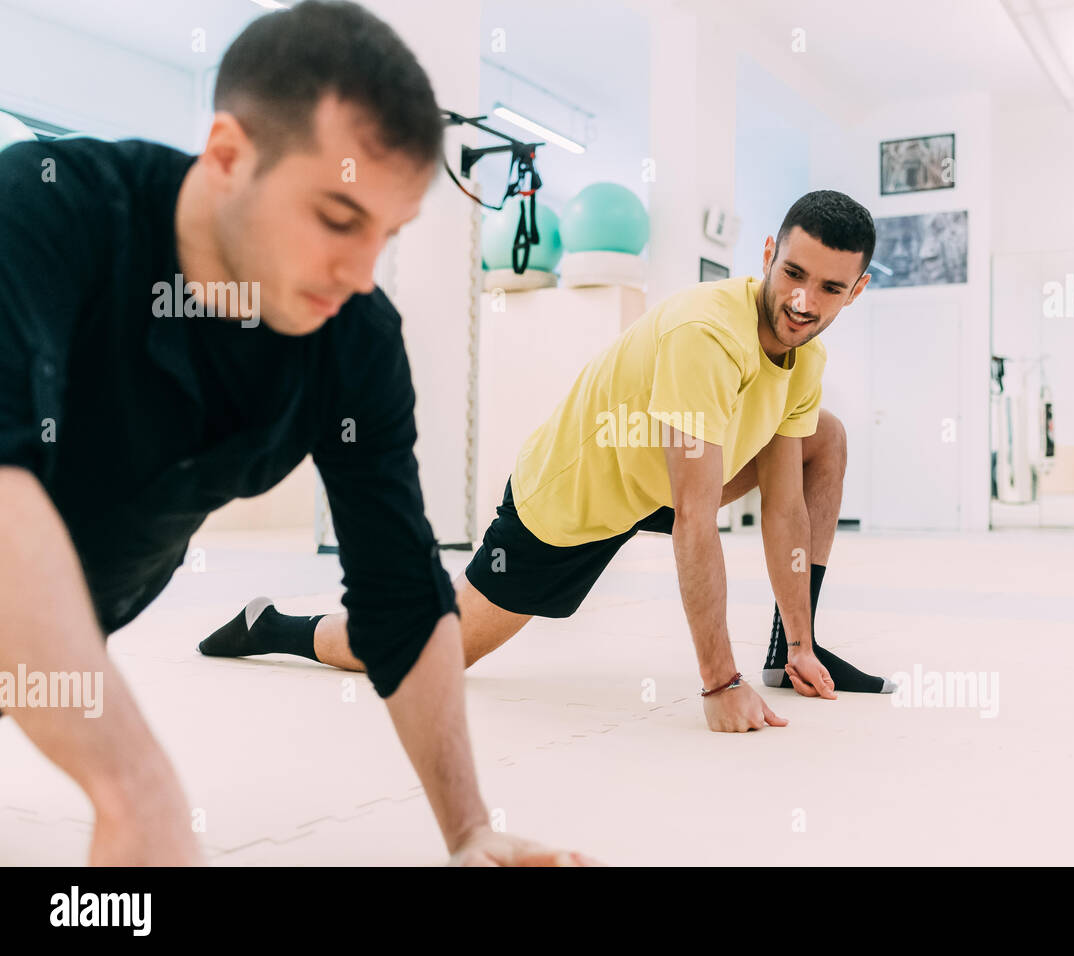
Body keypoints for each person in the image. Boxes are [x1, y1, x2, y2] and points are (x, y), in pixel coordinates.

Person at [0, 0, 591, 866]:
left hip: (64, 622)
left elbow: (399, 595)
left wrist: (470, 831)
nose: (360, 274)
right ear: (230, 155)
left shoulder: (352, 338)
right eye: (340, 219)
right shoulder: (49, 210)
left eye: (389, 235)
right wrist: (137, 788)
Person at [202, 190, 896, 735]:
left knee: (822, 439)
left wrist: (800, 641)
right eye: (793, 273)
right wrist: (718, 684)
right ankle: (274, 627)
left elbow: (782, 505)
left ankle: (791, 651)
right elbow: (694, 520)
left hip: (661, 476)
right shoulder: (706, 334)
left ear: (856, 291)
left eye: (830, 289)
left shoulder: (806, 359)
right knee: (437, 654)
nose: (803, 302)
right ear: (770, 253)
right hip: (576, 496)